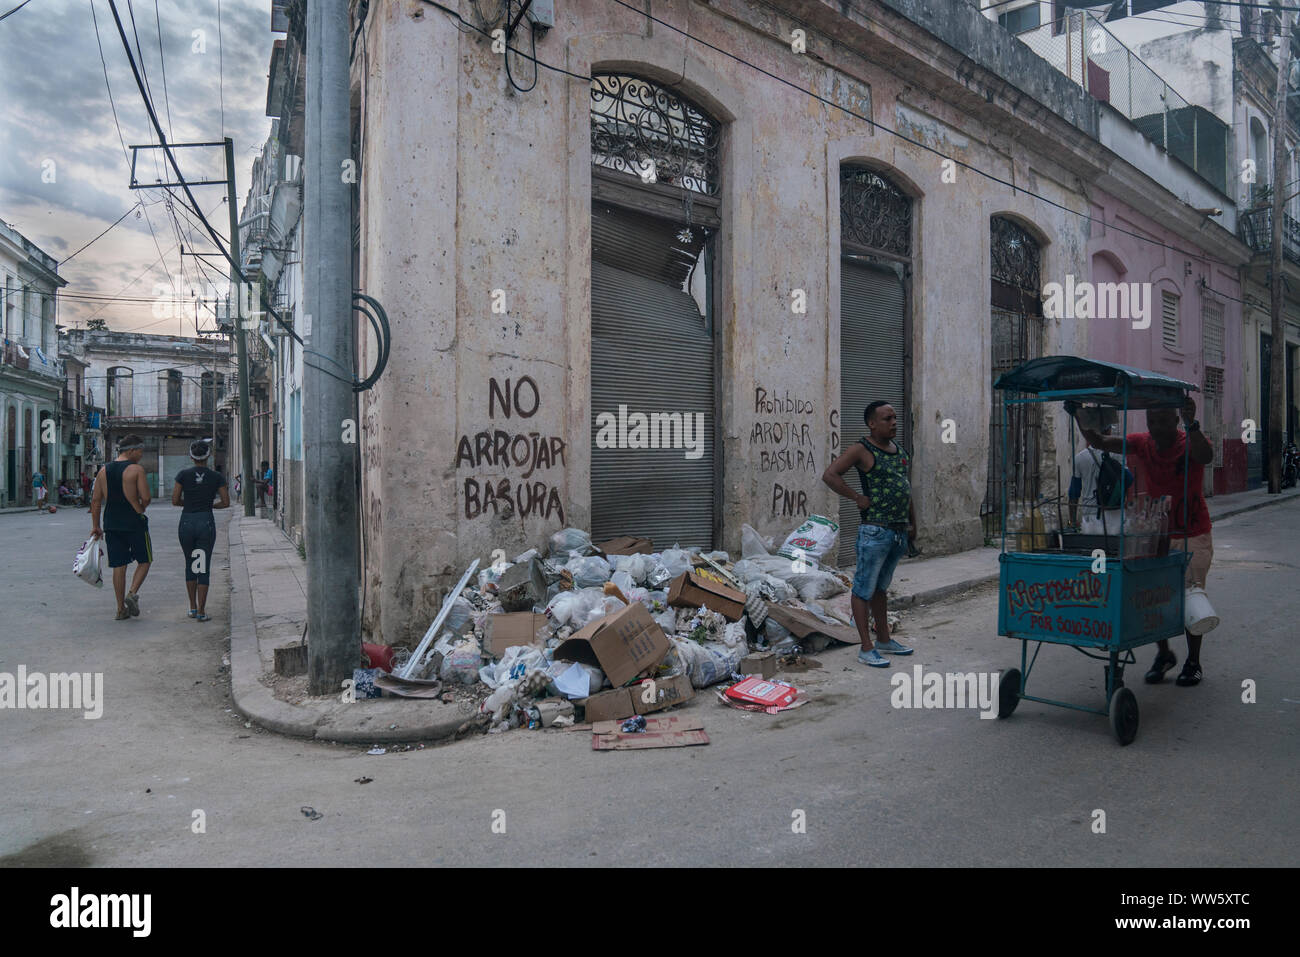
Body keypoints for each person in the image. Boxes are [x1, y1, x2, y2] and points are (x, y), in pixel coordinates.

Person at [1077, 397, 1214, 686]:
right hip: (1158, 535)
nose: (1157, 427)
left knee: (1191, 598)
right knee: (1153, 598)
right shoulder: (1142, 442)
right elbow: (1099, 441)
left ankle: (1194, 661)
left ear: (1176, 420)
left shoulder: (1190, 441)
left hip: (1193, 533)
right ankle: (1164, 654)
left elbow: (1206, 456)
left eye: (1164, 420)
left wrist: (1193, 425)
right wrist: (1079, 415)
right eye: (1152, 421)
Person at [821, 400, 917, 667]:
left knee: (880, 589)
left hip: (897, 531)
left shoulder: (900, 451)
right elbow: (830, 475)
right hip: (875, 531)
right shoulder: (861, 450)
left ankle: (884, 639)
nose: (893, 422)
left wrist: (913, 524)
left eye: (895, 418)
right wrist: (856, 497)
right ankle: (866, 647)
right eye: (887, 419)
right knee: (863, 589)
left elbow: (905, 488)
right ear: (871, 424)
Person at [89, 435, 152, 621]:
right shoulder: (136, 470)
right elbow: (146, 497)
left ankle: (120, 609)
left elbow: (96, 501)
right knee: (145, 559)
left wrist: (96, 526)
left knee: (119, 564)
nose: (141, 455)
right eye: (140, 451)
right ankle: (132, 594)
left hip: (111, 523)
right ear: (131, 450)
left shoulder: (103, 471)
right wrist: (141, 507)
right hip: (134, 521)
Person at [172, 440, 230, 621]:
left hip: (187, 522)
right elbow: (226, 502)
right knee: (202, 566)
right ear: (208, 456)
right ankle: (202, 612)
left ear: (191, 456)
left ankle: (192, 608)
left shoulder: (183, 475)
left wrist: (188, 504)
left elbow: (175, 500)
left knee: (190, 564)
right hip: (205, 522)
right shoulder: (216, 476)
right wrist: (210, 505)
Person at [1067, 424, 1134, 527]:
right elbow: (1128, 479)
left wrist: (1072, 522)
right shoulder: (1118, 454)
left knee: (1092, 542)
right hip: (1113, 511)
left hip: (1089, 515)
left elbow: (1074, 493)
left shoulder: (1079, 458)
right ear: (1109, 432)